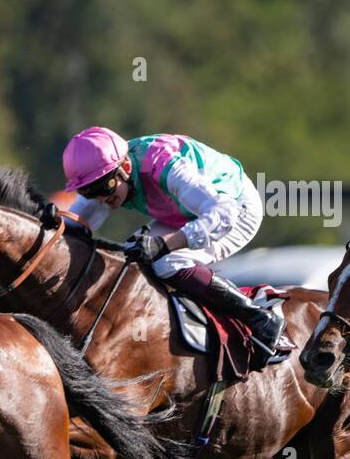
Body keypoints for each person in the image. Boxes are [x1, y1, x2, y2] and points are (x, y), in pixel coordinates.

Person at [62, 127, 284, 354]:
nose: (101, 198)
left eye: (104, 187)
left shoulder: (164, 164)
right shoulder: (109, 171)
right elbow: (77, 221)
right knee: (132, 254)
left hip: (234, 210)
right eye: (90, 192)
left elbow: (222, 216)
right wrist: (51, 222)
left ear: (125, 167)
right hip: (187, 212)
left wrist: (164, 245)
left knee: (168, 262)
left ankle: (258, 317)